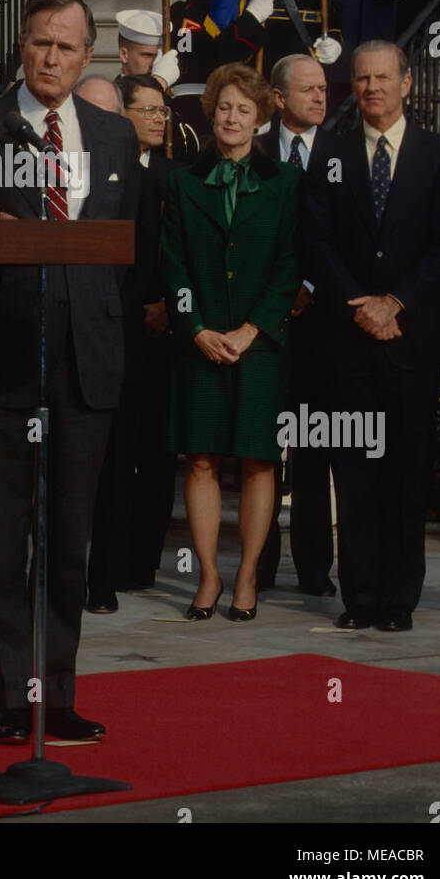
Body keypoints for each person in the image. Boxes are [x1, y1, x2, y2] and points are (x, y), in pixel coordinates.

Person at [0, 0, 139, 743]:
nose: (50, 58)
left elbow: (131, 252)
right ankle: (6, 698)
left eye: (65, 46)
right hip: (6, 359)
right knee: (3, 540)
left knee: (69, 536)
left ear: (87, 54)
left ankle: (54, 693)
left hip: (86, 360)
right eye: (39, 44)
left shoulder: (112, 136)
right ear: (22, 47)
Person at [304, 41, 440, 632]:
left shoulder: (439, 154)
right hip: (349, 341)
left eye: (382, 77)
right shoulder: (332, 154)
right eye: (361, 78)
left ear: (407, 83)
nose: (371, 87)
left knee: (403, 467)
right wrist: (361, 306)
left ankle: (399, 599)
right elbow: (317, 240)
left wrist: (395, 302)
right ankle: (360, 596)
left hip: (411, 339)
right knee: (353, 469)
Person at [161, 63, 300, 622]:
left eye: (244, 109)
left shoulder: (286, 183)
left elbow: (291, 264)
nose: (232, 117)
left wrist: (252, 329)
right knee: (199, 459)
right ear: (211, 113)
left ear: (262, 118)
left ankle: (246, 579)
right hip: (201, 342)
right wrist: (195, 329)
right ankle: (209, 577)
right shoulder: (183, 182)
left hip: (260, 345)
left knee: (258, 460)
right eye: (224, 108)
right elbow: (173, 267)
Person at [86, 74, 181, 612]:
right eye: (143, 109)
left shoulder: (162, 178)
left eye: (160, 110)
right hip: (91, 329)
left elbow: (149, 253)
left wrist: (152, 305)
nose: (156, 118)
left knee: (142, 456)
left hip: (142, 331)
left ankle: (129, 566)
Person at [257, 55, 335, 597]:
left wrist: (312, 287)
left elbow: (346, 236)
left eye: (324, 89)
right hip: (262, 323)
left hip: (321, 326)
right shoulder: (252, 151)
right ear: (279, 98)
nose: (320, 97)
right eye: (307, 89)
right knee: (261, 447)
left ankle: (314, 569)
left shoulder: (343, 153)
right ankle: (257, 568)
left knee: (312, 447)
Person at [162, 0, 273, 150]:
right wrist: (250, 19)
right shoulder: (182, 14)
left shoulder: (238, 17)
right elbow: (208, 60)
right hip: (196, 112)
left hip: (238, 115)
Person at [115, 10, 163, 79]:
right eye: (147, 55)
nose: (155, 64)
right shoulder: (109, 90)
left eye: (160, 56)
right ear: (124, 55)